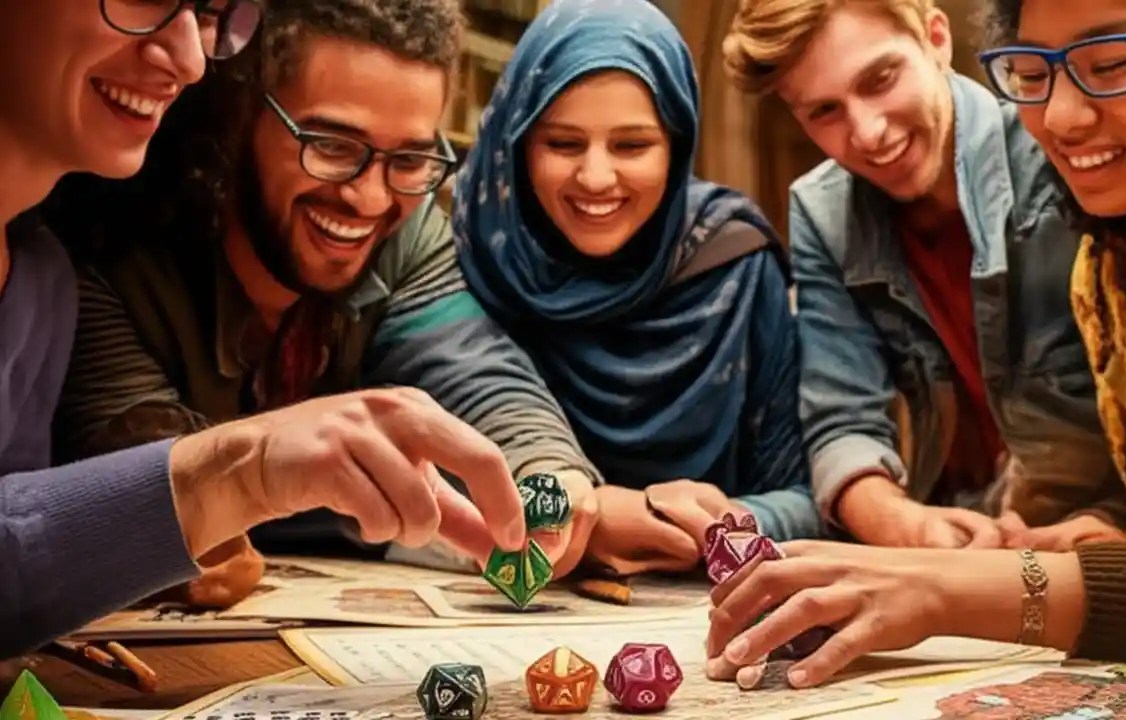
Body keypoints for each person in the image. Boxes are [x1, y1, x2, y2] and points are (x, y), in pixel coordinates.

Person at [705, 0, 1126, 684]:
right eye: (1034, 73)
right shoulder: (1111, 276)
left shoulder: (1071, 191)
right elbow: (841, 416)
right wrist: (1122, 546)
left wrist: (959, 588)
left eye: (1110, 63)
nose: (1062, 119)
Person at [0, 0, 526, 659]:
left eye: (210, 12)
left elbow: (478, 368)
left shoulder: (40, 281)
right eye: (329, 146)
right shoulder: (108, 259)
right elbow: (145, 497)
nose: (190, 60)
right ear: (243, 116)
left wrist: (548, 479)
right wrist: (239, 475)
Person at [720, 0, 1125, 550]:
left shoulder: (1058, 148)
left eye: (881, 80)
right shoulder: (824, 212)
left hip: (1108, 537)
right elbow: (842, 421)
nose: (867, 133)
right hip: (957, 544)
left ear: (937, 39)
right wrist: (906, 525)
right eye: (824, 112)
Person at [453, 0, 822, 576]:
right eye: (563, 144)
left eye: (632, 146)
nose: (596, 178)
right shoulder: (473, 260)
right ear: (517, 141)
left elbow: (803, 497)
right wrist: (591, 518)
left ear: (677, 148)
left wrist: (711, 520)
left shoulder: (733, 262)